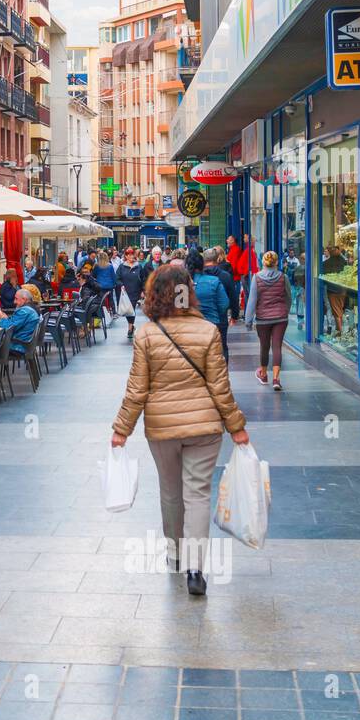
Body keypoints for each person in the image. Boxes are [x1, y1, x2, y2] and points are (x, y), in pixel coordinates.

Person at [111, 265, 249, 597]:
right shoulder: (208, 332)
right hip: (204, 426)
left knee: (171, 493)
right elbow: (220, 388)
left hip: (162, 428)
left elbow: (136, 390)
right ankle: (196, 568)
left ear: (155, 295)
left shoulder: (147, 335)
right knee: (198, 494)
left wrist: (121, 430)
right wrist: (237, 428)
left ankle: (174, 553)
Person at [245, 250, 293, 391]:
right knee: (277, 346)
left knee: (264, 346)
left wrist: (248, 321)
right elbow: (288, 297)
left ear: (263, 262)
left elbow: (252, 301)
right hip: (281, 318)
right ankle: (276, 379)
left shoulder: (257, 278)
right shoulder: (283, 277)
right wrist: (286, 311)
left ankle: (264, 374)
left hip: (263, 319)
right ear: (277, 262)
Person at [189, 250, 231, 361]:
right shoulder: (214, 281)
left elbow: (179, 307)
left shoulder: (182, 283)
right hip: (212, 323)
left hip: (190, 327)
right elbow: (224, 304)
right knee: (215, 356)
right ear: (202, 264)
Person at [0, 287, 40, 354]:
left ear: (24, 299)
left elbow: (8, 328)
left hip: (18, 346)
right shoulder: (31, 308)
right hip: (25, 344)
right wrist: (6, 319)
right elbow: (14, 324)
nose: (14, 302)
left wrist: (2, 319)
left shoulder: (25, 311)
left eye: (16, 299)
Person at [116, 246, 146, 340]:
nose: (130, 256)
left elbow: (143, 279)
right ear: (125, 256)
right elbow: (117, 278)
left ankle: (130, 328)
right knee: (127, 311)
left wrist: (143, 291)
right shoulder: (121, 267)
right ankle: (131, 326)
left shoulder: (138, 266)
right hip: (125, 292)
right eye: (128, 254)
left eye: (132, 254)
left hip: (135, 291)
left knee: (131, 309)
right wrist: (121, 285)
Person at [204, 247, 239, 326]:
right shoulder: (225, 276)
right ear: (217, 259)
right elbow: (233, 296)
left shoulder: (198, 275)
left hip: (203, 317)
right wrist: (234, 315)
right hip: (221, 316)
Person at [322, 245, 348, 336]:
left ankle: (340, 332)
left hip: (332, 290)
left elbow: (323, 276)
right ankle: (339, 330)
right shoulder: (344, 262)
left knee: (336, 311)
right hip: (342, 289)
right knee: (339, 310)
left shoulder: (326, 263)